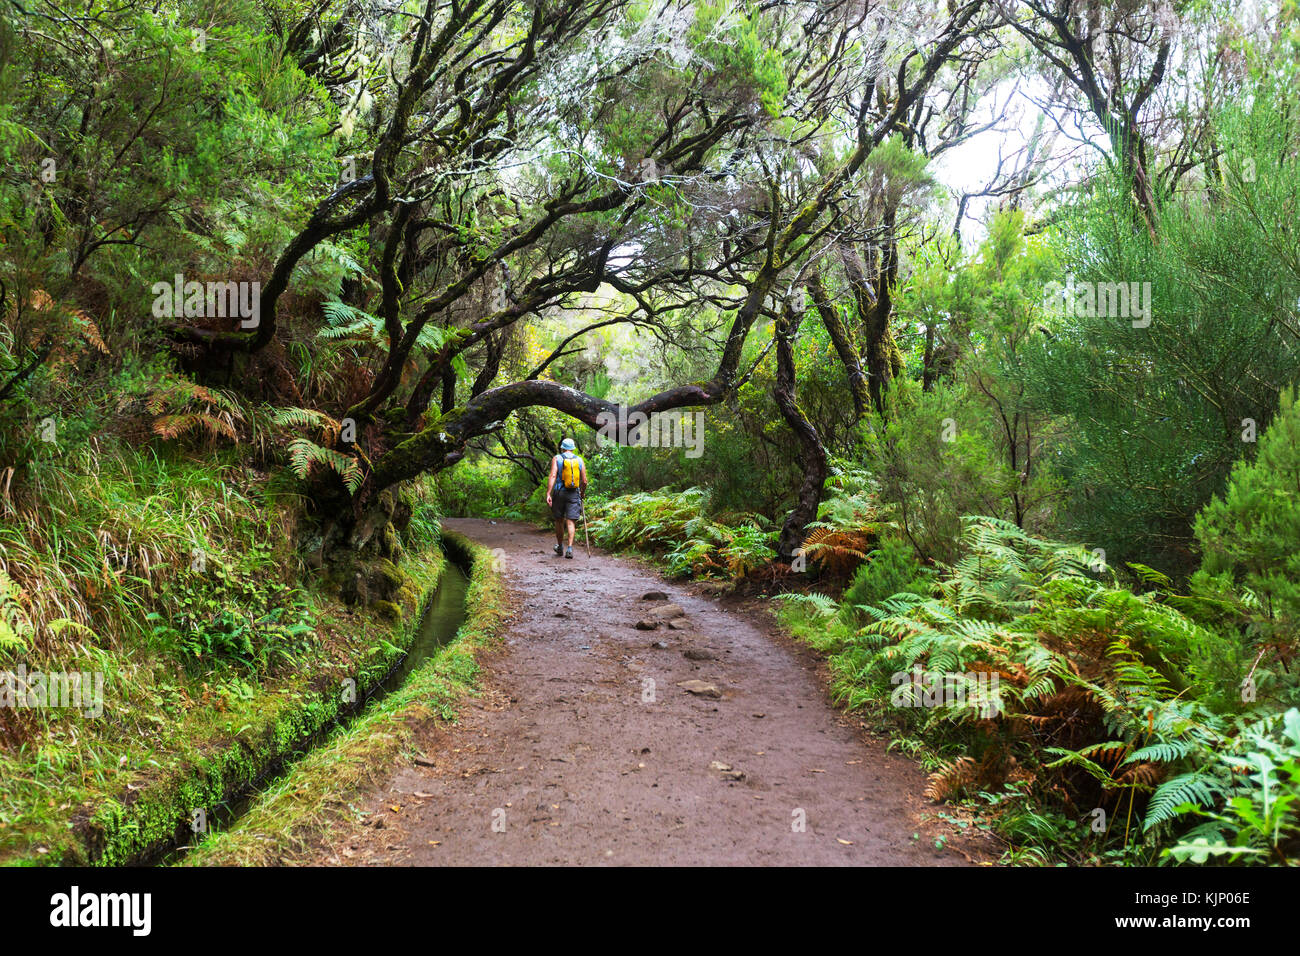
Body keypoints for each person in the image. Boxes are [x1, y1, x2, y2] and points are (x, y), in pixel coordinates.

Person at [546, 437, 587, 559]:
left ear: (562, 448)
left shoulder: (557, 458)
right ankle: (569, 548)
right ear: (573, 448)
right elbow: (584, 481)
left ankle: (560, 546)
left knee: (559, 520)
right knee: (570, 522)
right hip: (574, 493)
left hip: (559, 493)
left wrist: (549, 493)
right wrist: (582, 493)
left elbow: (553, 475)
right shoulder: (579, 460)